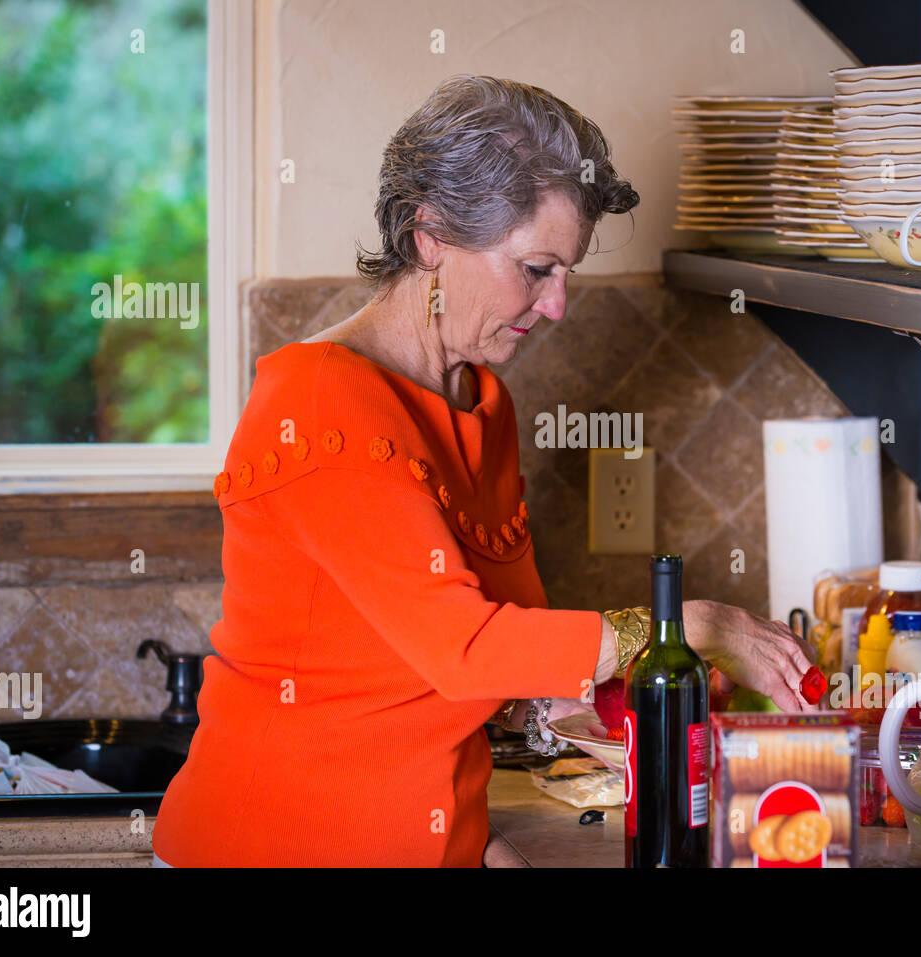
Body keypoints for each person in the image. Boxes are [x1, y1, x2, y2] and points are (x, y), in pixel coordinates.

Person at [153, 75, 812, 867]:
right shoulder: (322, 401)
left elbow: (493, 659)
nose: (559, 304)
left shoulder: (479, 402)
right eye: (536, 268)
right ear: (431, 235)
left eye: (567, 271)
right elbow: (462, 647)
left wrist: (478, 835)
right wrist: (689, 628)